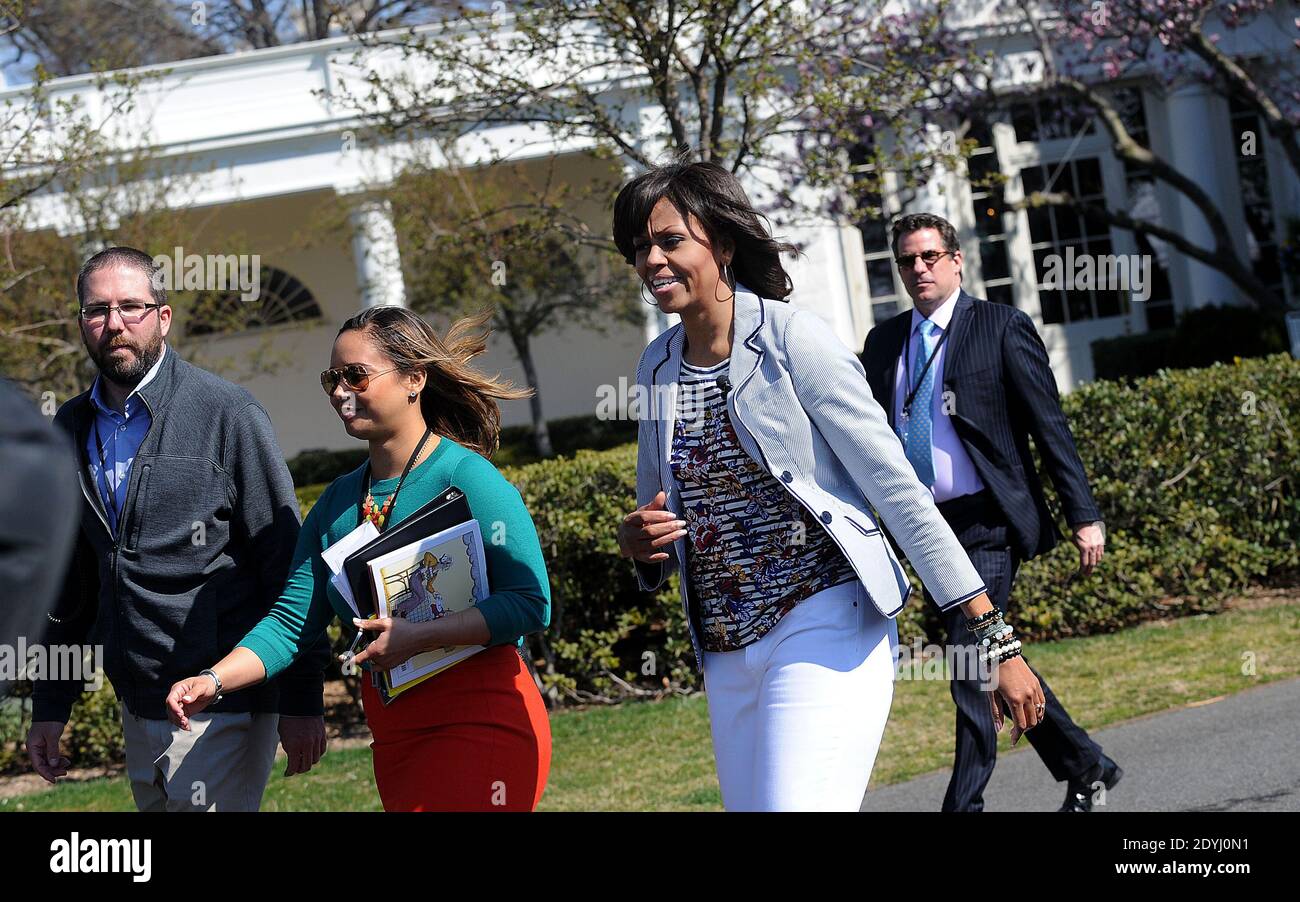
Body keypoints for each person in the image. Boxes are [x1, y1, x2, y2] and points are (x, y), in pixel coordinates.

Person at [612, 160, 1046, 812]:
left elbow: (898, 490)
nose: (651, 260)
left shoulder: (793, 340)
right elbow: (663, 510)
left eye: (670, 240)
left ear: (722, 245)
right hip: (728, 650)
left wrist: (994, 640)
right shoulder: (656, 367)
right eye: (639, 247)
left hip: (823, 621)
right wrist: (639, 542)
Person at [166, 306, 553, 812]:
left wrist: (422, 635)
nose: (339, 391)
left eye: (356, 375)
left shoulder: (468, 477)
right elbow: (289, 624)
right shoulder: (335, 504)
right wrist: (213, 680)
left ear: (414, 378)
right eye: (332, 378)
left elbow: (529, 604)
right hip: (397, 734)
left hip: (481, 720)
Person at [27, 246, 329, 811]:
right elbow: (70, 583)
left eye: (131, 307)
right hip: (137, 704)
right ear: (81, 325)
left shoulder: (227, 413)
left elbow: (287, 564)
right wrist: (50, 705)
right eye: (97, 311)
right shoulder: (69, 426)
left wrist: (303, 697)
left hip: (221, 701)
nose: (114, 323)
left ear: (163, 318)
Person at [860, 212, 1121, 812]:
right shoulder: (883, 343)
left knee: (970, 660)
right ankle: (1088, 767)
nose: (918, 268)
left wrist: (1084, 514)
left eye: (929, 256)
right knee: (994, 657)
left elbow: (1048, 426)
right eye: (906, 260)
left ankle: (965, 807)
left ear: (956, 260)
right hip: (924, 530)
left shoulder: (1001, 327)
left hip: (988, 523)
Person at [0, 380, 78, 700]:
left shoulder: (23, 444)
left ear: (166, 324)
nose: (113, 325)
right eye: (89, 322)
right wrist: (51, 705)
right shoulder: (72, 420)